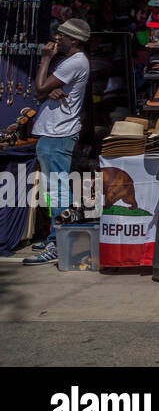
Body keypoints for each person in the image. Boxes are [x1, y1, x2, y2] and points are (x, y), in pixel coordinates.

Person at [24, 18, 92, 265]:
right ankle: (56, 235)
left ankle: (57, 241)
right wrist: (46, 90)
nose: (56, 39)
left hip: (58, 133)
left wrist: (44, 59)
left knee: (58, 189)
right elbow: (42, 90)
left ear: (74, 40)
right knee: (53, 189)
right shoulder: (71, 62)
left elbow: (38, 88)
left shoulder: (73, 62)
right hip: (54, 132)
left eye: (61, 36)